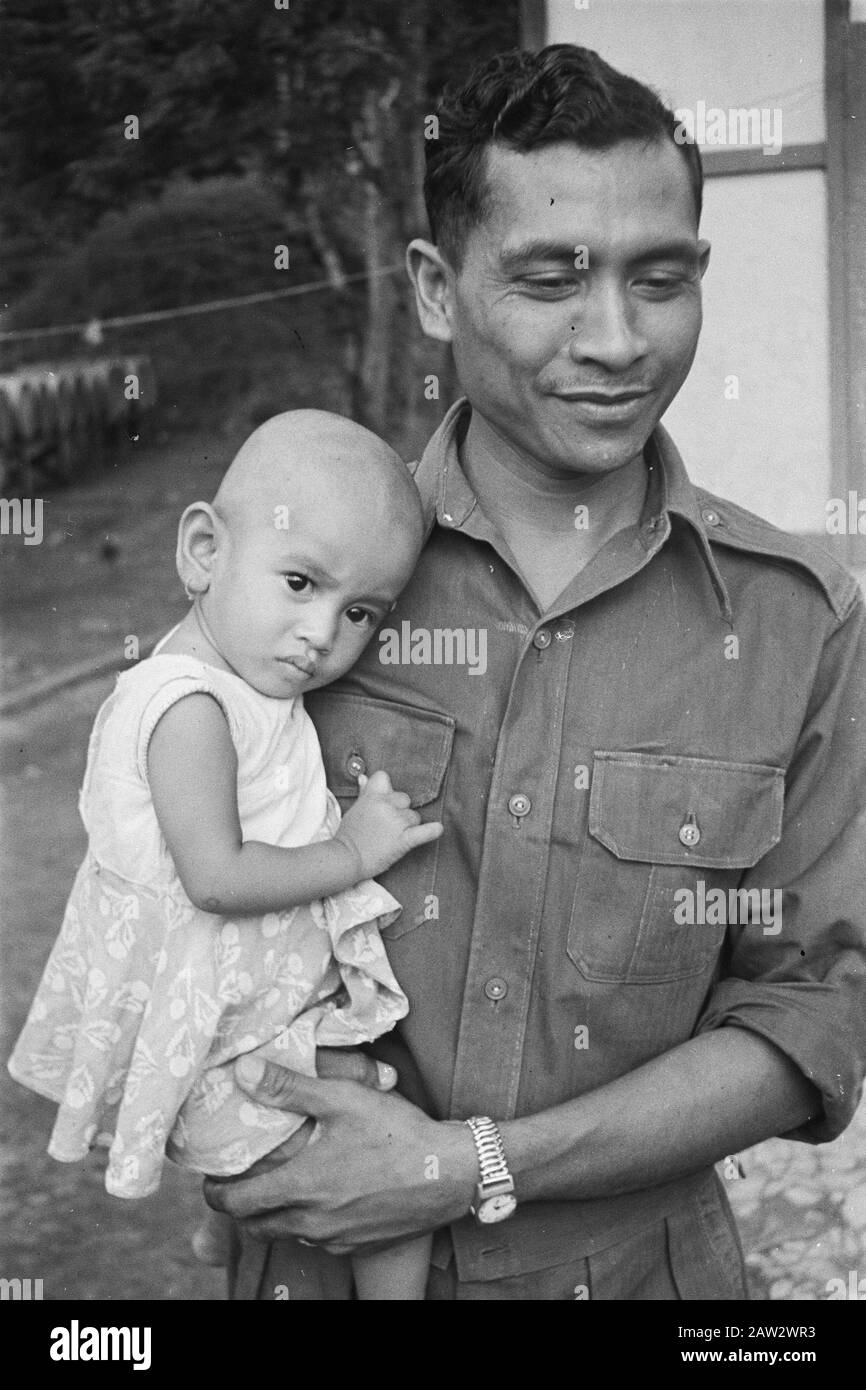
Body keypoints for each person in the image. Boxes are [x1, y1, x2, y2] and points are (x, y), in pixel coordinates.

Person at [209, 44, 866, 1302]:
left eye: (658, 279)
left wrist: (470, 1165)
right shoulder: (303, 596)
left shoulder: (800, 623)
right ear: (435, 289)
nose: (614, 339)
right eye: (549, 277)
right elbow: (181, 896)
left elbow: (812, 1016)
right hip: (316, 1268)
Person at [7, 409, 443, 1301]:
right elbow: (217, 878)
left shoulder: (245, 680)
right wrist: (354, 851)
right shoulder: (189, 708)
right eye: (299, 581)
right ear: (204, 551)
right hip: (202, 1028)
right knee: (405, 1187)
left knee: (360, 1076)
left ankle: (227, 1222)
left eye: (359, 611)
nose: (323, 632)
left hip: (242, 1013)